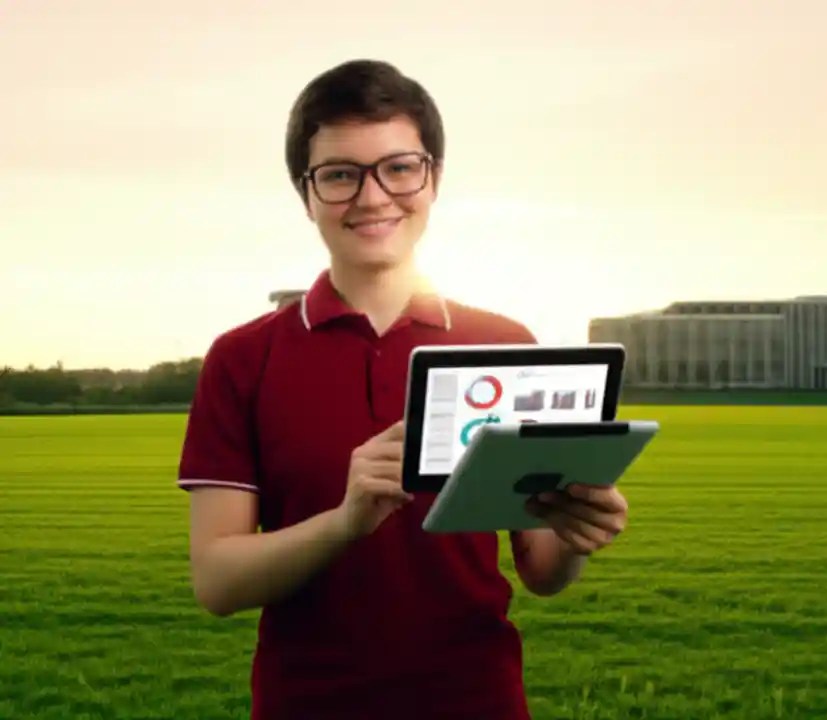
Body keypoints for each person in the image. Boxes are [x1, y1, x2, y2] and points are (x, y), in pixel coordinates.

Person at [177, 58, 630, 720]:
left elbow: (541, 572)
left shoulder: (506, 345)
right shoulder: (243, 358)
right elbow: (217, 581)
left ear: (433, 178)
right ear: (305, 195)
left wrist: (575, 528)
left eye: (398, 167)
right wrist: (344, 523)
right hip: (306, 704)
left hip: (479, 701)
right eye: (339, 175)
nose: (371, 196)